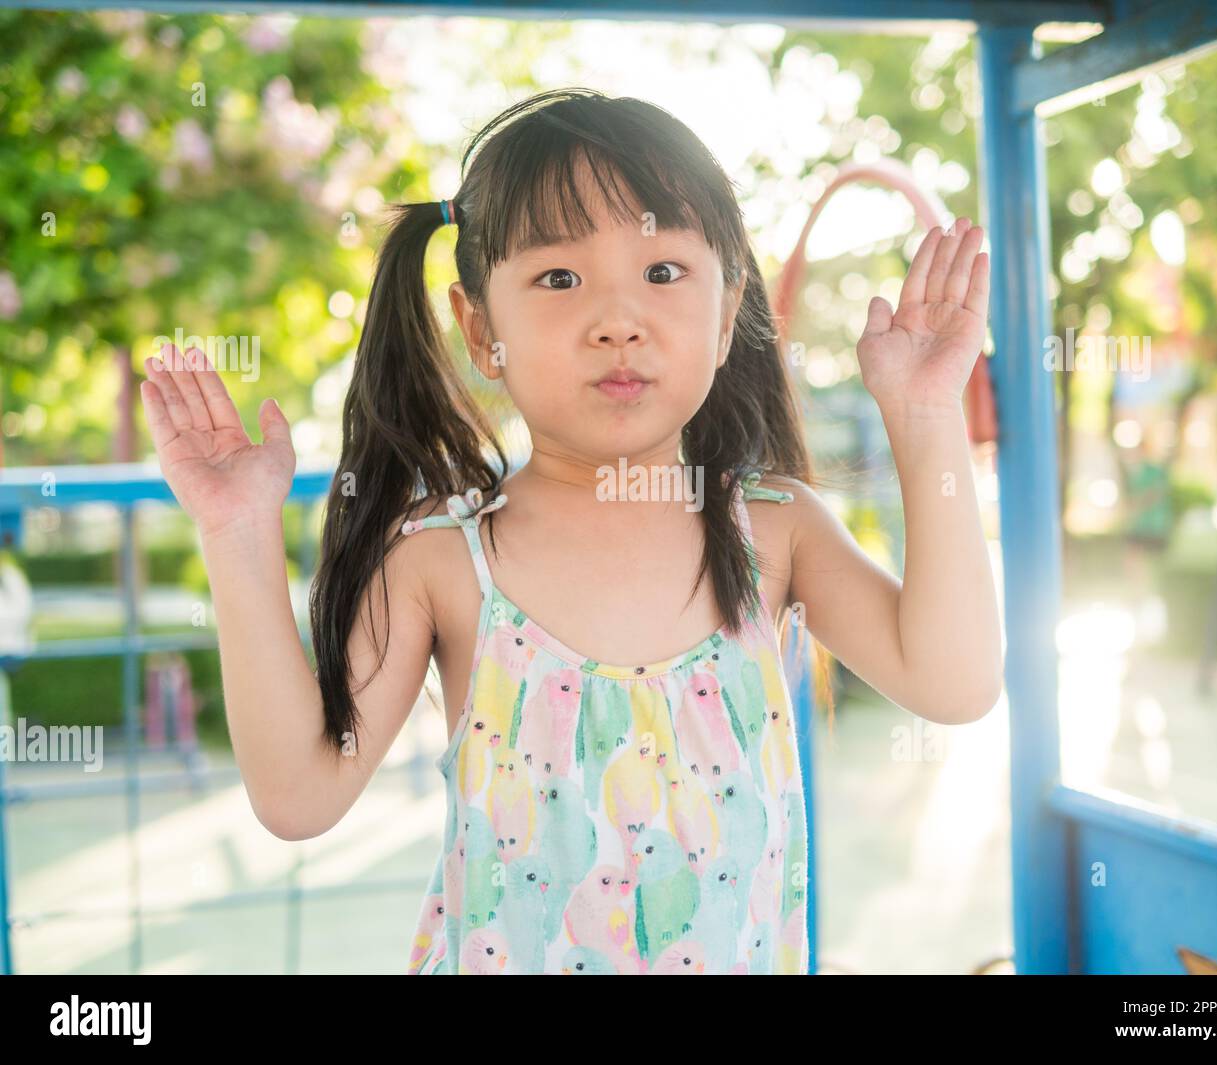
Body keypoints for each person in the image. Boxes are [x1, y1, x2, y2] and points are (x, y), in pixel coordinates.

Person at [138, 88, 1002, 974]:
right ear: (481, 330)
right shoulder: (445, 557)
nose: (618, 319)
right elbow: (297, 795)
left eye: (664, 272)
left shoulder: (776, 533)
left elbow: (957, 682)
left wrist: (925, 410)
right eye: (559, 278)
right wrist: (236, 531)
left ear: (728, 306)